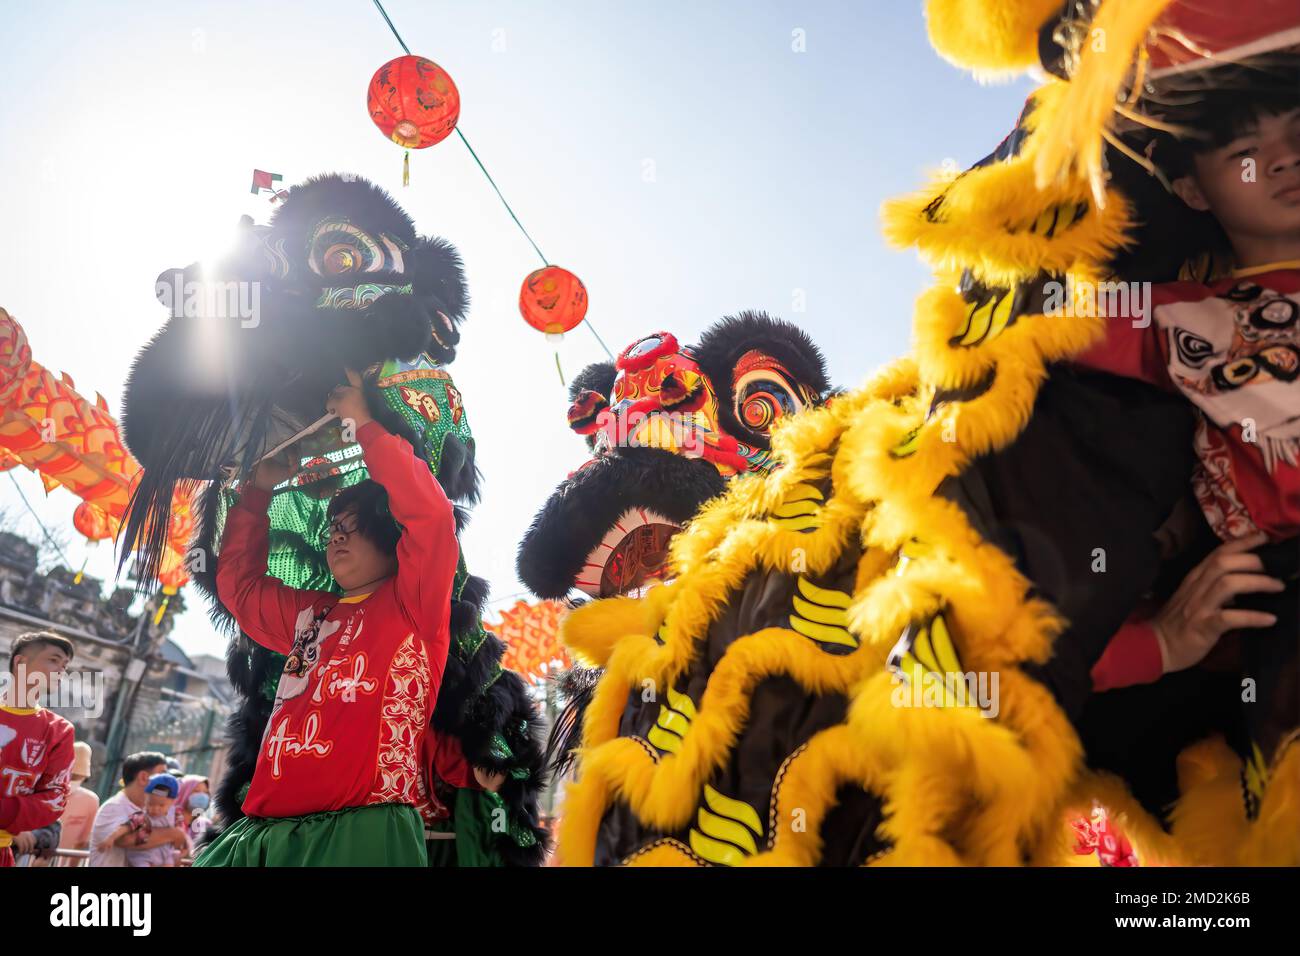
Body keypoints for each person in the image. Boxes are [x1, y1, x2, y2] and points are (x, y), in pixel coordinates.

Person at [1078, 74, 1300, 765]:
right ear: (1192, 190)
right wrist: (1153, 647)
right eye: (1243, 148)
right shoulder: (1181, 317)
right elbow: (1014, 318)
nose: (1286, 156)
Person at [196, 374, 493, 867]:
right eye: (334, 528)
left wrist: (365, 425)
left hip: (361, 833)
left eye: (353, 528)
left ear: (389, 535)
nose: (337, 538)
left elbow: (430, 518)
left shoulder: (414, 607)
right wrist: (258, 491)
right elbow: (241, 590)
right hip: (261, 837)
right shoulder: (310, 612)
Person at [0, 631, 76, 867]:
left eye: (64, 665)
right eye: (53, 660)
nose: (61, 670)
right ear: (20, 662)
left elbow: (55, 798)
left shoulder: (59, 731)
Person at [89, 751, 188, 867]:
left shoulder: (154, 811)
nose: (166, 779)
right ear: (143, 777)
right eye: (162, 774)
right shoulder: (114, 807)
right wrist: (172, 834)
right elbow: (125, 840)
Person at [175, 774, 212, 844]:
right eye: (196, 791)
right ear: (184, 792)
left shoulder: (205, 825)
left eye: (205, 792)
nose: (202, 796)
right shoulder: (172, 820)